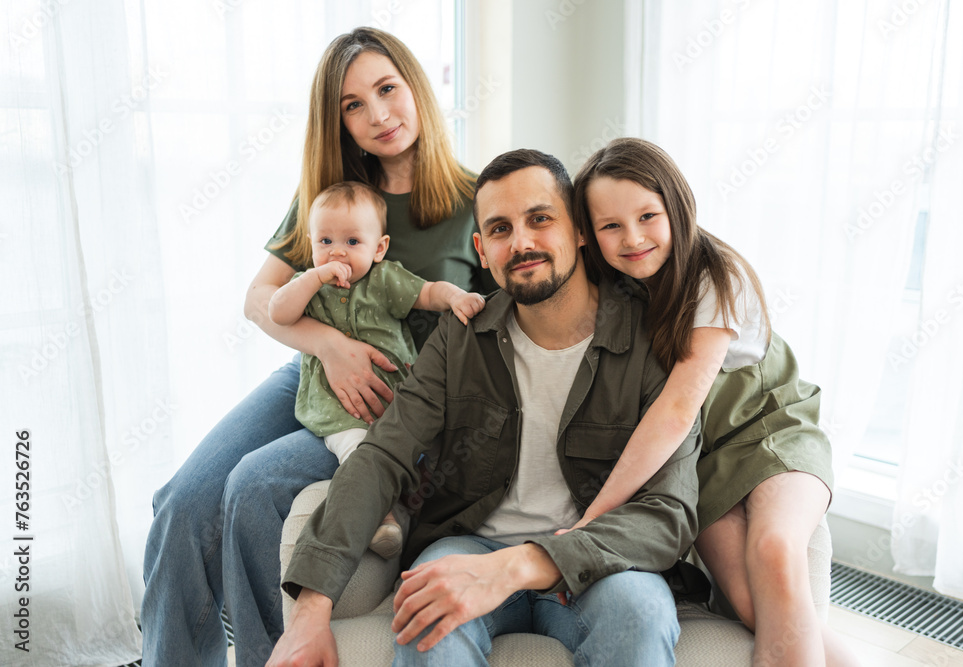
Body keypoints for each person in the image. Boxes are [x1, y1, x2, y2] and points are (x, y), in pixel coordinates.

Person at [141, 27, 494, 667]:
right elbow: (260, 298)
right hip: (312, 370)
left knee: (254, 485)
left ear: (416, 86)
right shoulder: (333, 196)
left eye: (387, 89)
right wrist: (329, 344)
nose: (377, 115)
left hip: (394, 397)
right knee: (183, 499)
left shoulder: (480, 201)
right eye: (352, 105)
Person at [267, 149, 700, 667]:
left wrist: (527, 564)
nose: (521, 242)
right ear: (481, 248)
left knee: (642, 615)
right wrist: (312, 611)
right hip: (469, 545)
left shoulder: (653, 335)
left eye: (540, 219)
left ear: (579, 230)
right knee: (426, 617)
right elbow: (383, 456)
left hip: (601, 558)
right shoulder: (461, 335)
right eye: (499, 229)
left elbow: (668, 512)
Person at [567, 137, 857, 666]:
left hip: (771, 431)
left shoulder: (715, 275)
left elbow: (678, 408)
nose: (632, 238)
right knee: (747, 604)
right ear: (588, 235)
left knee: (774, 549)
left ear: (677, 208)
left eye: (648, 216)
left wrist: (595, 515)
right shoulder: (619, 290)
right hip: (706, 462)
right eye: (611, 226)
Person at [268, 180, 484, 557]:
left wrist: (454, 296)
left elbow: (428, 293)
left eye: (352, 242)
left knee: (427, 443)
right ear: (311, 243)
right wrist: (312, 277)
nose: (337, 252)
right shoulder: (309, 285)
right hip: (340, 409)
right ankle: (380, 516)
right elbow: (278, 312)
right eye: (325, 242)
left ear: (379, 247)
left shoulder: (385, 279)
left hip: (398, 398)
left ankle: (425, 502)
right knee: (360, 451)